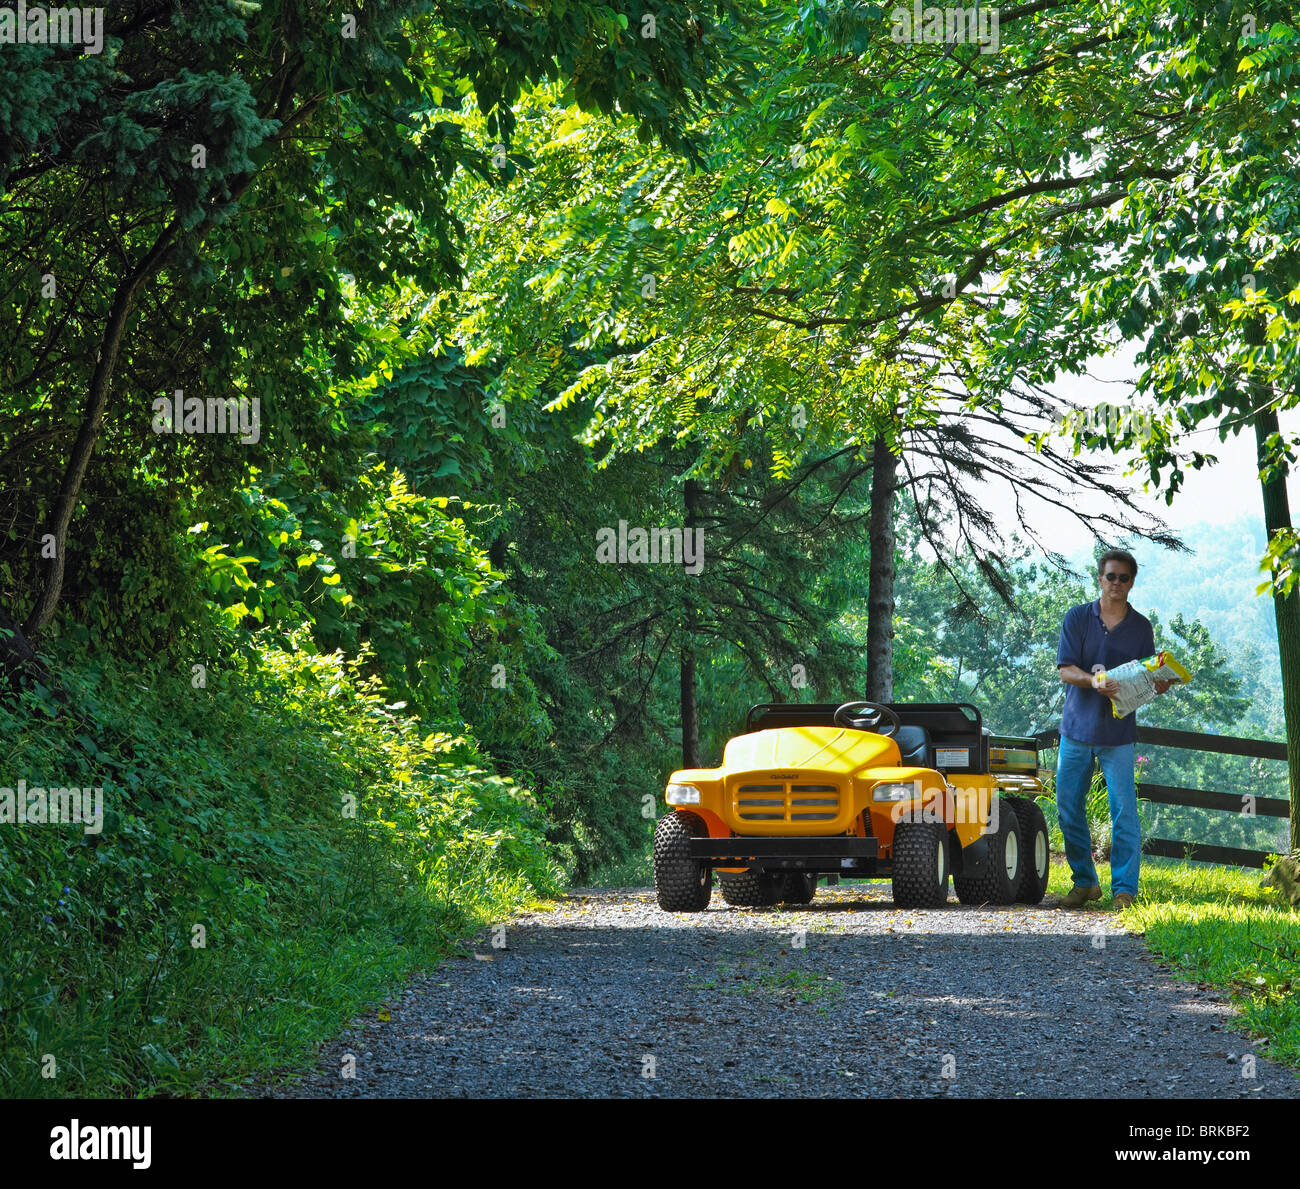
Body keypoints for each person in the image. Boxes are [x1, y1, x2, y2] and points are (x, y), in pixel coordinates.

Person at [1054, 549, 1172, 910]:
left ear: (1131, 582)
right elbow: (1065, 669)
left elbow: (1146, 679)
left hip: (1119, 736)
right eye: (1110, 576)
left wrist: (1159, 685)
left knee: (1124, 814)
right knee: (1068, 809)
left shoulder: (1141, 627)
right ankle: (1085, 883)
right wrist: (1093, 681)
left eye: (1123, 577)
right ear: (1099, 578)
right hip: (1076, 730)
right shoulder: (1077, 618)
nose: (1116, 583)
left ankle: (1124, 890)